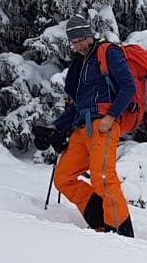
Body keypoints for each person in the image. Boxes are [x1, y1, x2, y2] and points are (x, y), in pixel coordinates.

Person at [37, 18, 135, 236]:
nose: (79, 45)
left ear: (91, 35)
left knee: (103, 178)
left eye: (82, 39)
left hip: (103, 125)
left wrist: (111, 117)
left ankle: (121, 233)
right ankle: (100, 221)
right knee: (64, 177)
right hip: (82, 128)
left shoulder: (108, 52)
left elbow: (129, 87)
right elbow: (77, 105)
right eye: (74, 42)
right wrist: (55, 126)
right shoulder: (79, 65)